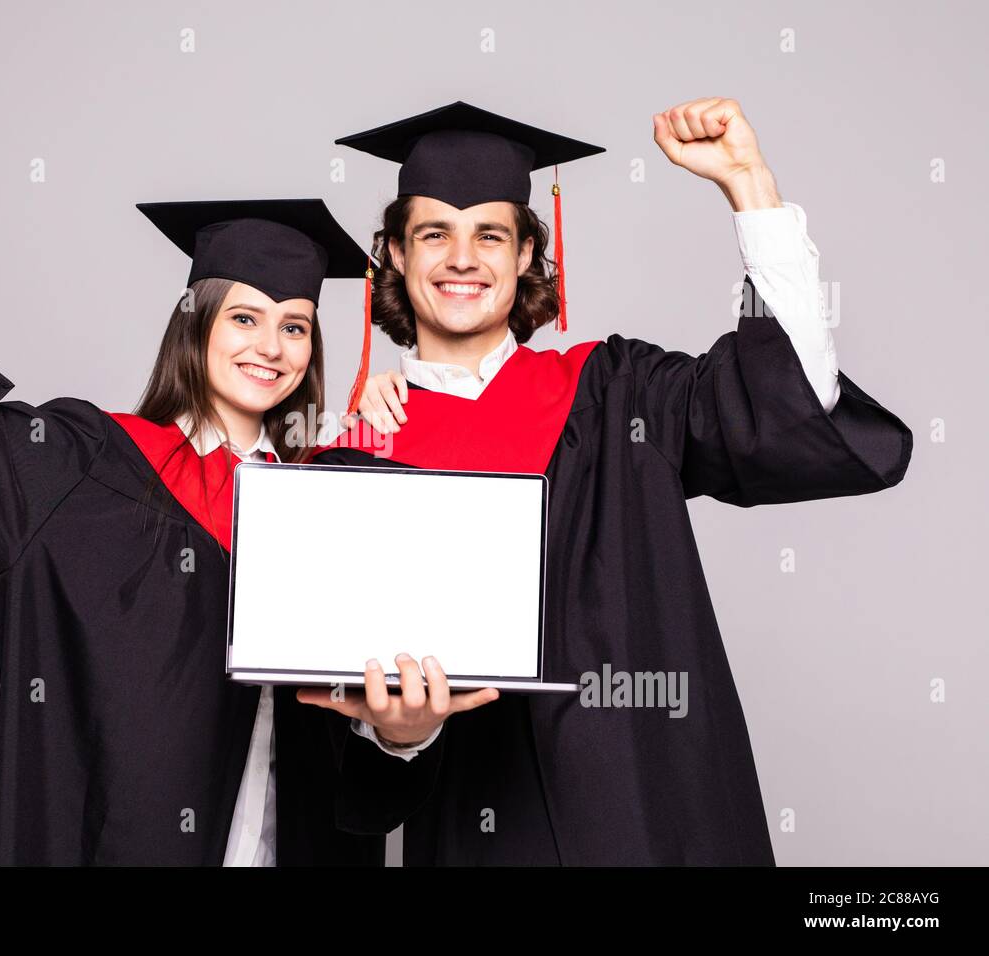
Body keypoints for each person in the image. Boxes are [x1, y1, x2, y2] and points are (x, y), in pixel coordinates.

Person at [0, 130, 460, 865]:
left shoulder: (335, 507)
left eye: (295, 326)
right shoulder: (83, 467)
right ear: (194, 321)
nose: (272, 346)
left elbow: (369, 757)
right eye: (243, 318)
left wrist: (406, 732)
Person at [299, 100, 913, 864]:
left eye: (490, 234)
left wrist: (749, 187)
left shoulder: (617, 391)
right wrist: (398, 735)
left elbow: (781, 400)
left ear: (526, 255)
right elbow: (333, 768)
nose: (463, 258)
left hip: (655, 814)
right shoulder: (354, 469)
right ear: (392, 253)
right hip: (480, 836)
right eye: (434, 234)